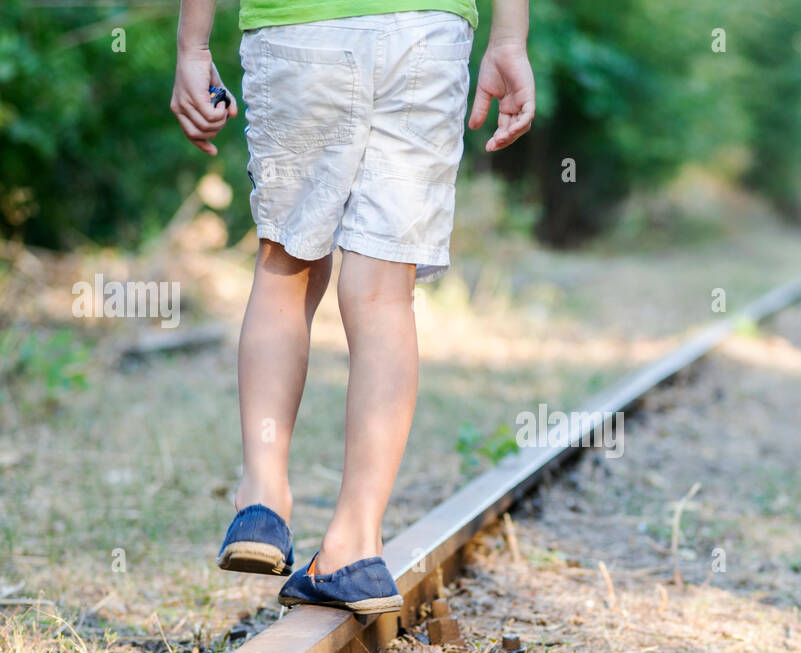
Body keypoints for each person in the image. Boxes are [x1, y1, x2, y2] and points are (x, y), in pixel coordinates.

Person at [170, 0, 534, 613]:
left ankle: (262, 499)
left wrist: (192, 46)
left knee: (286, 267)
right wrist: (510, 38)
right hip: (425, 31)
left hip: (301, 28)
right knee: (384, 293)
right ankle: (354, 542)